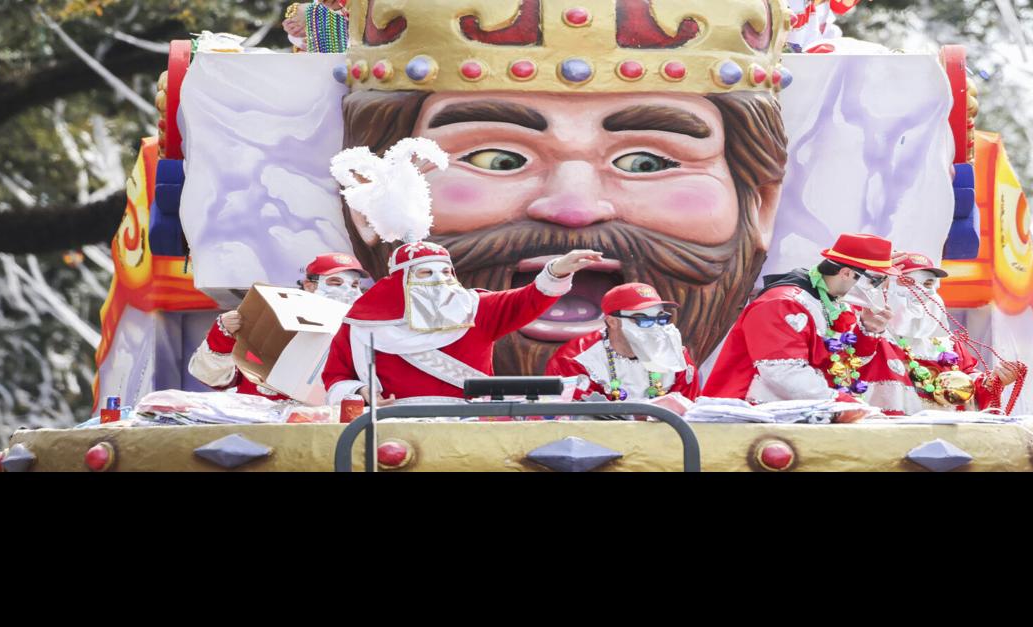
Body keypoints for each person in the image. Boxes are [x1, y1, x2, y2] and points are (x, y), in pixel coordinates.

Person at [337, 0, 791, 377]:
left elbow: (527, 300)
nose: (574, 209)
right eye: (499, 159)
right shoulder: (360, 329)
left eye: (646, 162)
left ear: (761, 204)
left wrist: (555, 275)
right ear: (367, 201)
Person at [320, 242, 602, 404]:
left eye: (445, 271)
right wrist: (362, 391)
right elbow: (336, 375)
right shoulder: (363, 323)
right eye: (426, 272)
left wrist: (557, 270)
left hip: (471, 423)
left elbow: (528, 298)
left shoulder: (477, 308)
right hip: (394, 426)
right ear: (399, 282)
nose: (438, 279)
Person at [702, 232, 903, 402]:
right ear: (846, 273)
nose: (879, 289)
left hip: (799, 417)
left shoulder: (836, 305)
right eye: (876, 280)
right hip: (750, 417)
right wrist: (841, 403)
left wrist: (869, 329)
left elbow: (848, 363)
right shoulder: (782, 303)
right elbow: (784, 374)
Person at [187, 251, 366, 399]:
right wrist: (222, 336)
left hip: (326, 422)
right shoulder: (271, 315)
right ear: (309, 286)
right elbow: (212, 377)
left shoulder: (364, 331)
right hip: (263, 421)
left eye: (355, 285)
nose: (347, 292)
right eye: (335, 282)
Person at [868, 251, 1023, 414]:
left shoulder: (949, 343)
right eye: (907, 281)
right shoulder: (867, 331)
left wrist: (993, 381)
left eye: (928, 283)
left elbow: (968, 380)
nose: (921, 291)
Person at [545, 283, 700, 401]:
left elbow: (688, 414)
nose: (655, 327)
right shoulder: (575, 360)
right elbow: (576, 422)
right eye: (642, 319)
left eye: (661, 318)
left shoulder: (675, 355)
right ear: (612, 322)